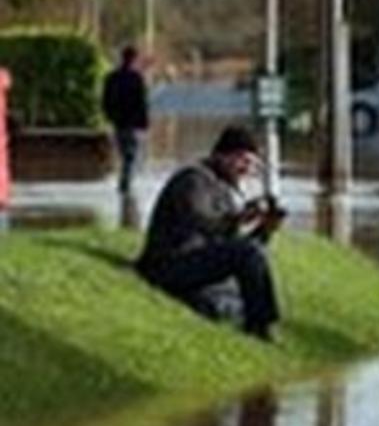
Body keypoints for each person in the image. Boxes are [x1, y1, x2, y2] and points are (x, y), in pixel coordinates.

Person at [136, 126, 286, 341]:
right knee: (240, 271)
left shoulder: (225, 189)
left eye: (252, 164)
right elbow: (200, 222)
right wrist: (238, 218)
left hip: (194, 263)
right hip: (169, 263)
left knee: (240, 284)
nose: (246, 168)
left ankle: (255, 319)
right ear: (222, 155)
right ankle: (260, 327)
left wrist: (264, 229)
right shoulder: (192, 179)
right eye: (242, 160)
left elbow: (235, 247)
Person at [102, 46, 149, 194]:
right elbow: (141, 102)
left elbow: (105, 100)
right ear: (133, 59)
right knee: (131, 154)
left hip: (118, 121)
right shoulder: (136, 78)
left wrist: (109, 115)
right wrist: (144, 122)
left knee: (125, 153)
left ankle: (125, 181)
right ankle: (125, 183)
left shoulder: (111, 78)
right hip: (132, 122)